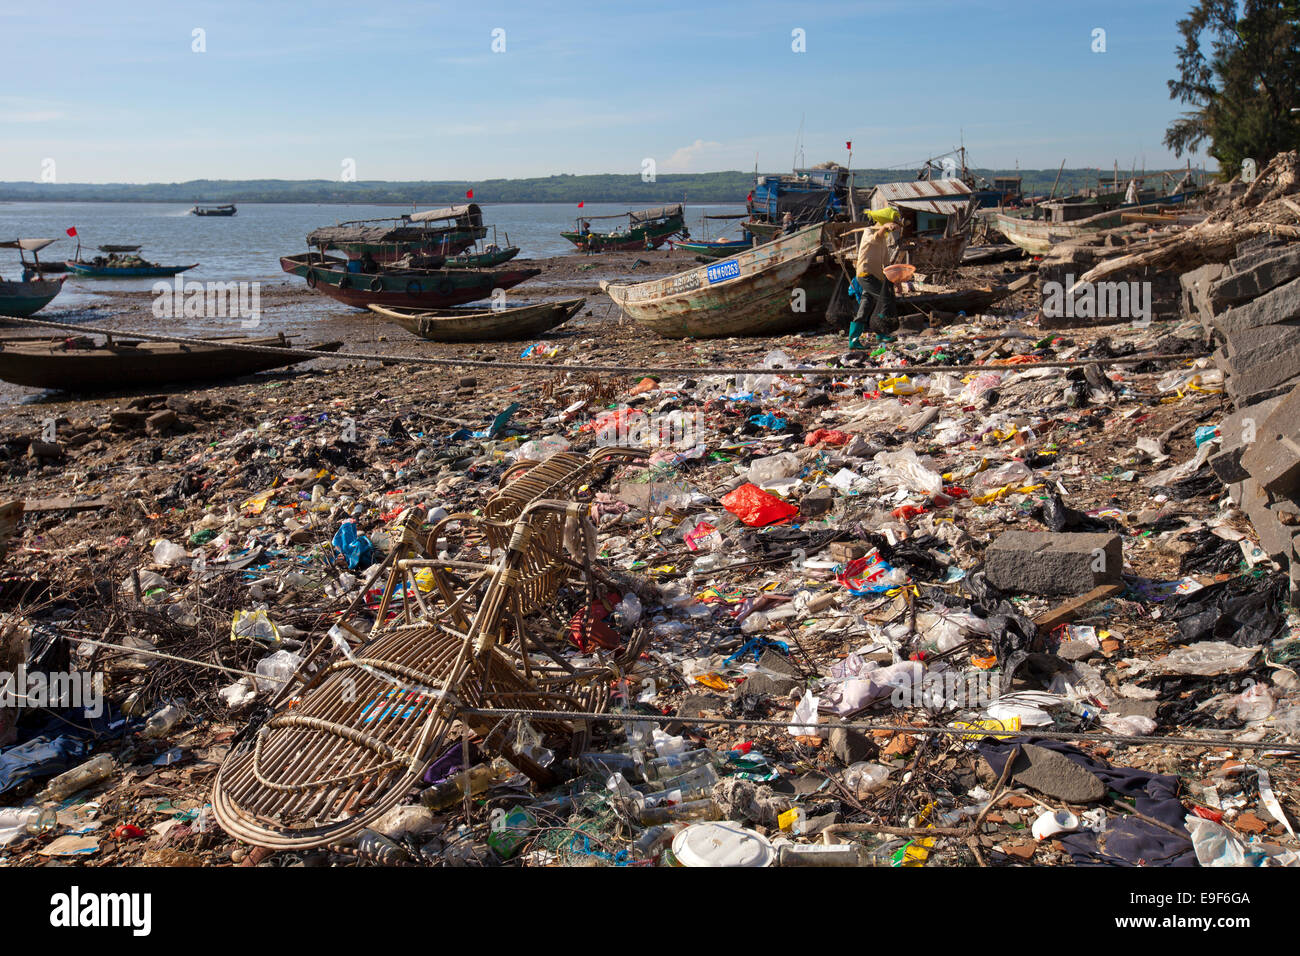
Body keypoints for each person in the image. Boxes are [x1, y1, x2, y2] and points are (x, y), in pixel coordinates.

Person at [847, 211, 902, 348]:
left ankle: (854, 340)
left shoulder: (883, 239)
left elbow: (886, 263)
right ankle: (881, 334)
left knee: (865, 307)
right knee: (884, 300)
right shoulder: (869, 231)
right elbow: (874, 239)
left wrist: (896, 281)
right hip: (865, 275)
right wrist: (884, 227)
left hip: (876, 276)